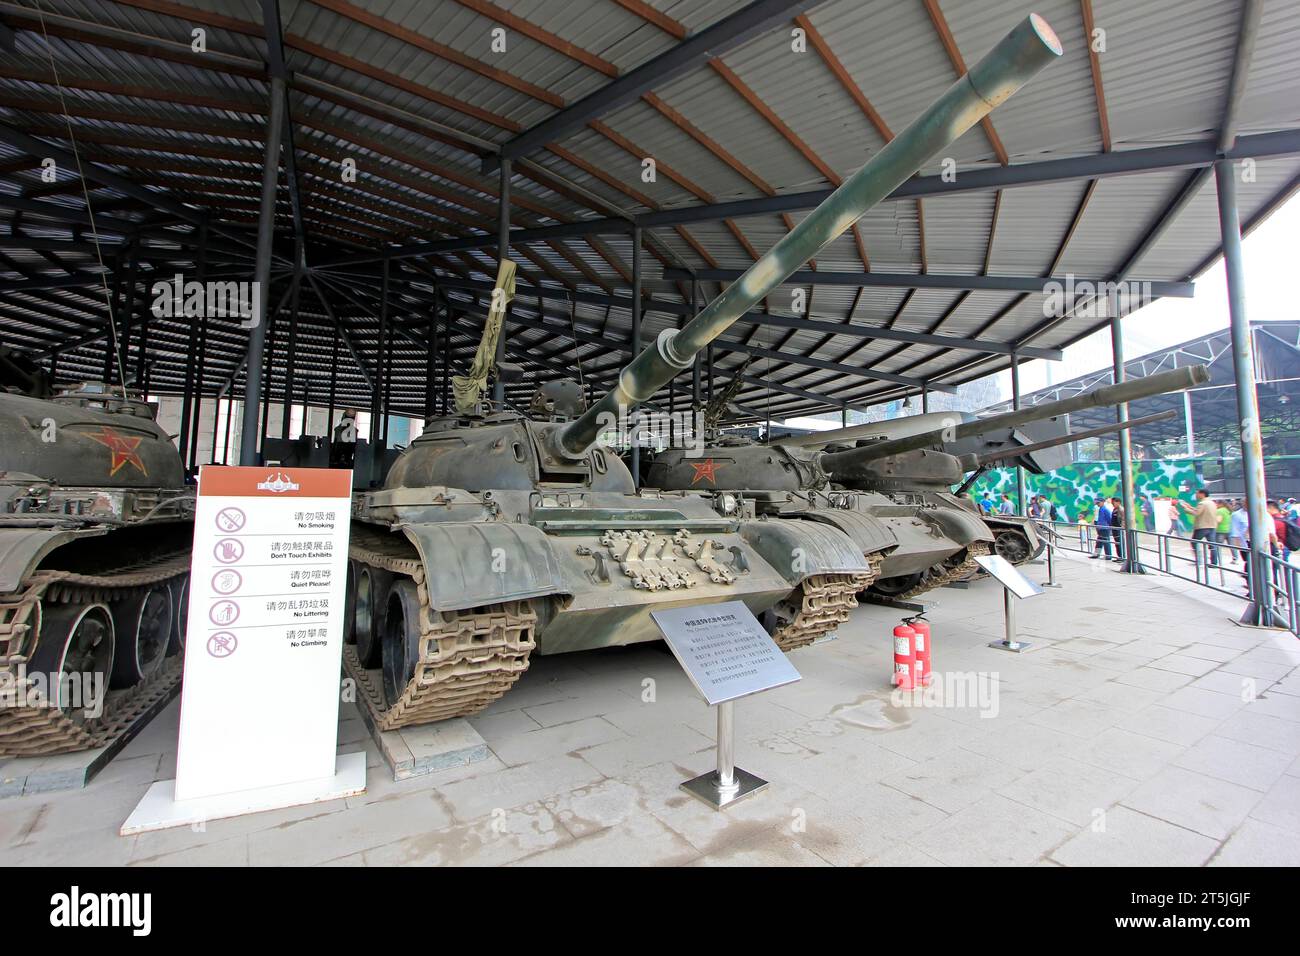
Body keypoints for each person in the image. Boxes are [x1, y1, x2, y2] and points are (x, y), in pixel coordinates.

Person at [1179, 488, 1221, 566]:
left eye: (1197, 493)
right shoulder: (1212, 503)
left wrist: (1186, 509)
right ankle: (1214, 563)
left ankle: (1199, 561)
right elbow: (1200, 511)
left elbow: (1197, 513)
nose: (1196, 495)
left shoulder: (1202, 503)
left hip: (1202, 527)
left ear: (1202, 494)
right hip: (1212, 526)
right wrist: (1190, 507)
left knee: (1195, 543)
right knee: (1212, 545)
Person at [1110, 496, 1126, 561]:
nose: (1112, 504)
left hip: (1119, 529)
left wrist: (1122, 527)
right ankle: (1119, 556)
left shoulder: (1121, 509)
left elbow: (1123, 519)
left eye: (1113, 503)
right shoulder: (1114, 509)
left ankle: (1122, 557)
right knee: (1117, 543)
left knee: (1120, 543)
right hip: (1114, 529)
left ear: (1118, 502)